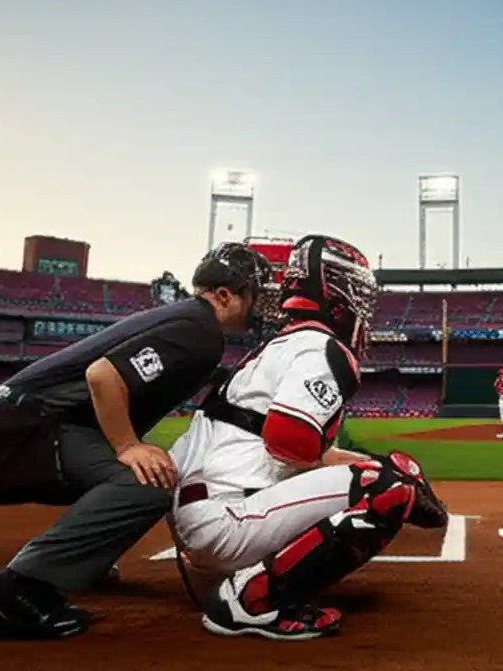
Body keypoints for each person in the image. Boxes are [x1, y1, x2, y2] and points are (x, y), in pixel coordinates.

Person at [0, 242, 275, 640]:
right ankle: (13, 597)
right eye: (255, 293)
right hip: (21, 430)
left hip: (17, 424)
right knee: (147, 481)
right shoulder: (199, 329)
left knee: (133, 470)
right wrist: (127, 446)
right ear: (225, 294)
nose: (261, 305)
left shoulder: (188, 321)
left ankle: (80, 564)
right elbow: (103, 375)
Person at [166, 234, 448, 641]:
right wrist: (392, 474)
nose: (362, 305)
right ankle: (251, 602)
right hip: (227, 519)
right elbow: (289, 443)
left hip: (205, 513)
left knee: (384, 474)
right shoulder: (322, 347)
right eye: (355, 291)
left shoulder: (284, 345)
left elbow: (289, 446)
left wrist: (372, 463)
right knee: (388, 488)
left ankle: (248, 576)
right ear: (331, 291)